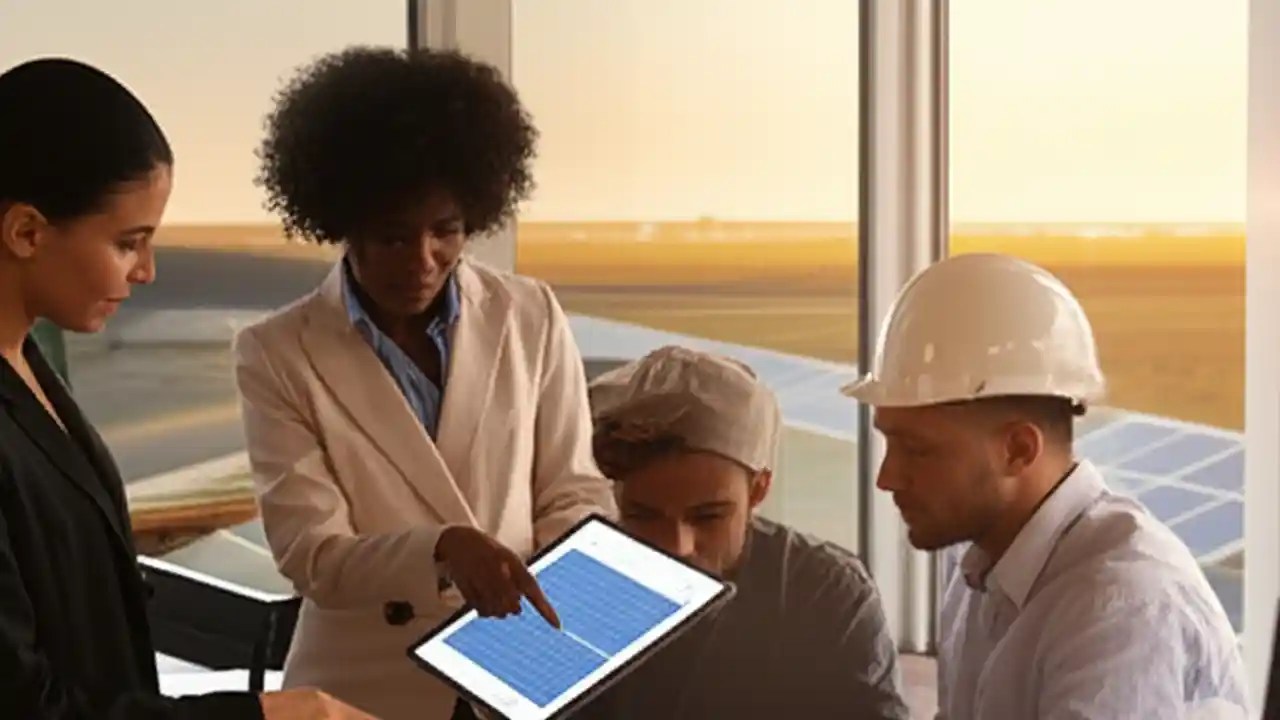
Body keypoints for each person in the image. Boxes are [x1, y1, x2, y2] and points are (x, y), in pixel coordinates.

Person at [234, 46, 617, 720]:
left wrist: (553, 583)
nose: (423, 259)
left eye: (446, 231)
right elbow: (312, 554)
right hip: (359, 693)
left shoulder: (530, 315)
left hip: (519, 670)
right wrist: (442, 550)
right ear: (341, 222)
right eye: (392, 236)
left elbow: (573, 488)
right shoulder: (277, 353)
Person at [0, 58, 373, 719]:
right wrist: (264, 716)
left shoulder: (29, 363)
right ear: (26, 231)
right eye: (128, 243)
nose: (145, 271)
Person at [842, 252, 1248, 719]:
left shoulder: (1118, 608)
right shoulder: (980, 570)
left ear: (1018, 450)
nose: (886, 477)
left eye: (918, 450)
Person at [577, 345, 910, 718]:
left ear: (758, 490)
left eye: (707, 517)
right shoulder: (578, 589)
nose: (678, 546)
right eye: (642, 515)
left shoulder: (826, 595)